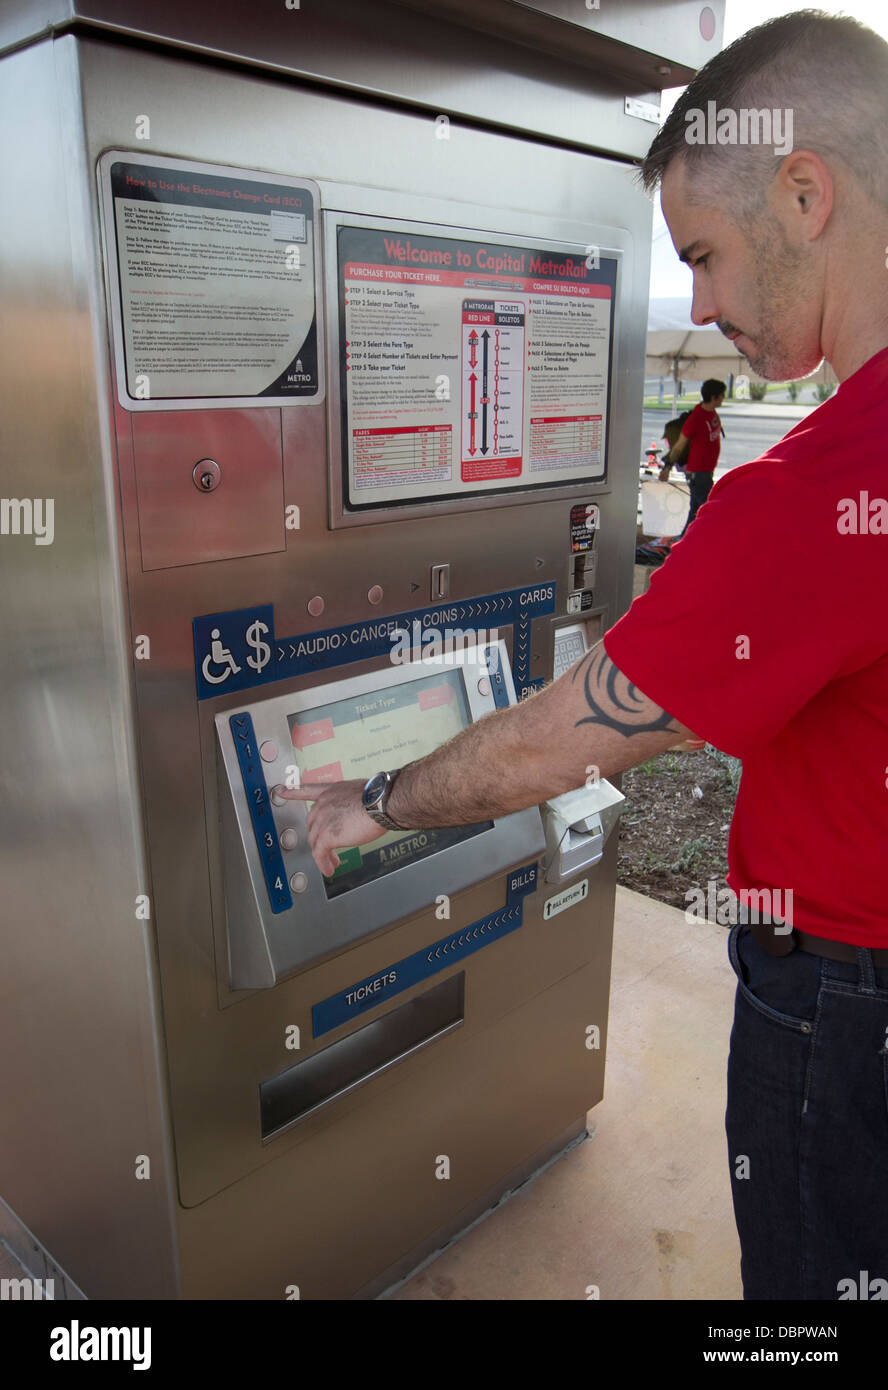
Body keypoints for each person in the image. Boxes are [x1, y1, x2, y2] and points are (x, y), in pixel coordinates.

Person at [281, 10, 888, 1301]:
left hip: (844, 1003)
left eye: (707, 256)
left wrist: (369, 800)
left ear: (806, 190)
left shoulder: (826, 490)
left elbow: (563, 735)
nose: (704, 303)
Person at [659, 379, 726, 536]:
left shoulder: (711, 413)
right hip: (698, 474)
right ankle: (685, 543)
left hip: (706, 472)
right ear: (714, 397)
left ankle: (682, 543)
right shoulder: (696, 418)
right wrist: (667, 468)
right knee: (704, 512)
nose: (724, 398)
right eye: (722, 395)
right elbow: (679, 445)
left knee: (697, 513)